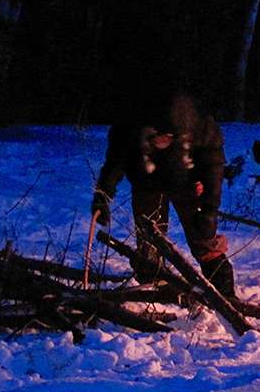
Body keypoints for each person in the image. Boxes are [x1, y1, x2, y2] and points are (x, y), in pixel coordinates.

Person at [91, 90, 237, 298]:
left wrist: (209, 210)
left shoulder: (197, 124)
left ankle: (223, 290)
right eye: (157, 138)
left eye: (168, 138)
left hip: (187, 181)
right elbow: (115, 163)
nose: (163, 141)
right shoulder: (129, 126)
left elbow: (213, 166)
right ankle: (154, 286)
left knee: (203, 236)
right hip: (146, 183)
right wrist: (102, 197)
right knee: (149, 242)